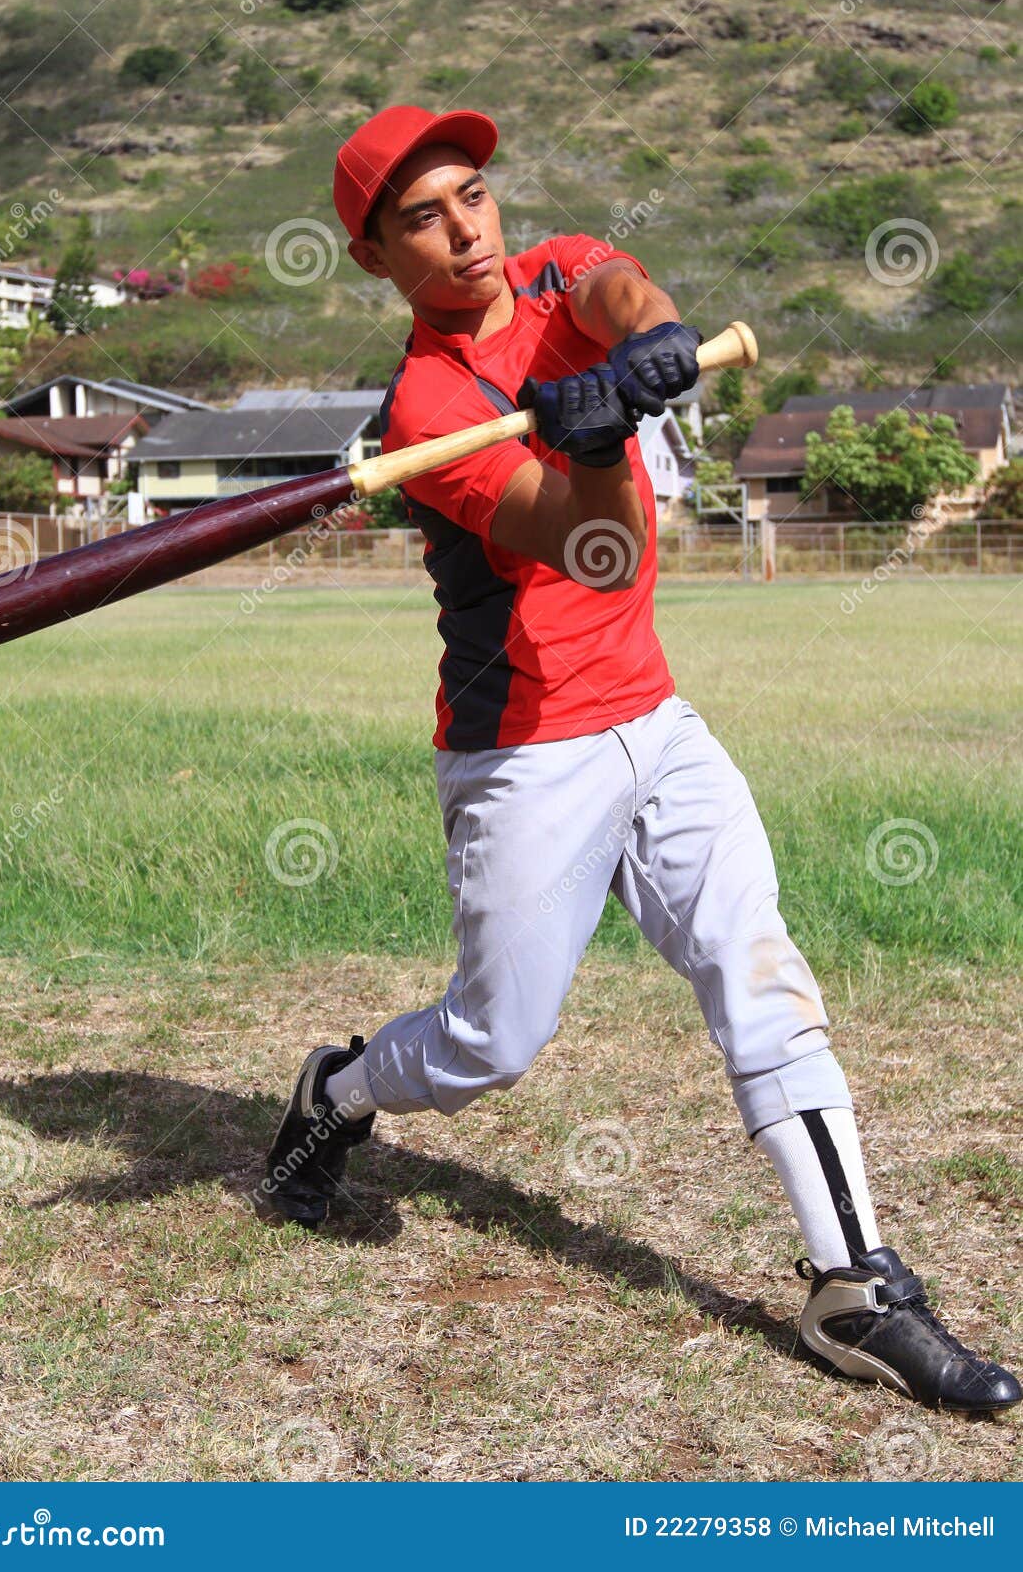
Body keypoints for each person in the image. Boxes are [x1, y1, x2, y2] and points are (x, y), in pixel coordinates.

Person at [266, 105, 1019, 1415]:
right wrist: (601, 438)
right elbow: (592, 545)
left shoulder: (557, 273)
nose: (463, 231)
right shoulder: (427, 409)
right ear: (373, 257)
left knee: (755, 961)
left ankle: (853, 1287)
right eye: (421, 219)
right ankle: (336, 1088)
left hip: (651, 718)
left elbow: (614, 285)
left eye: (474, 195)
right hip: (523, 757)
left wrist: (653, 341)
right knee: (489, 1042)